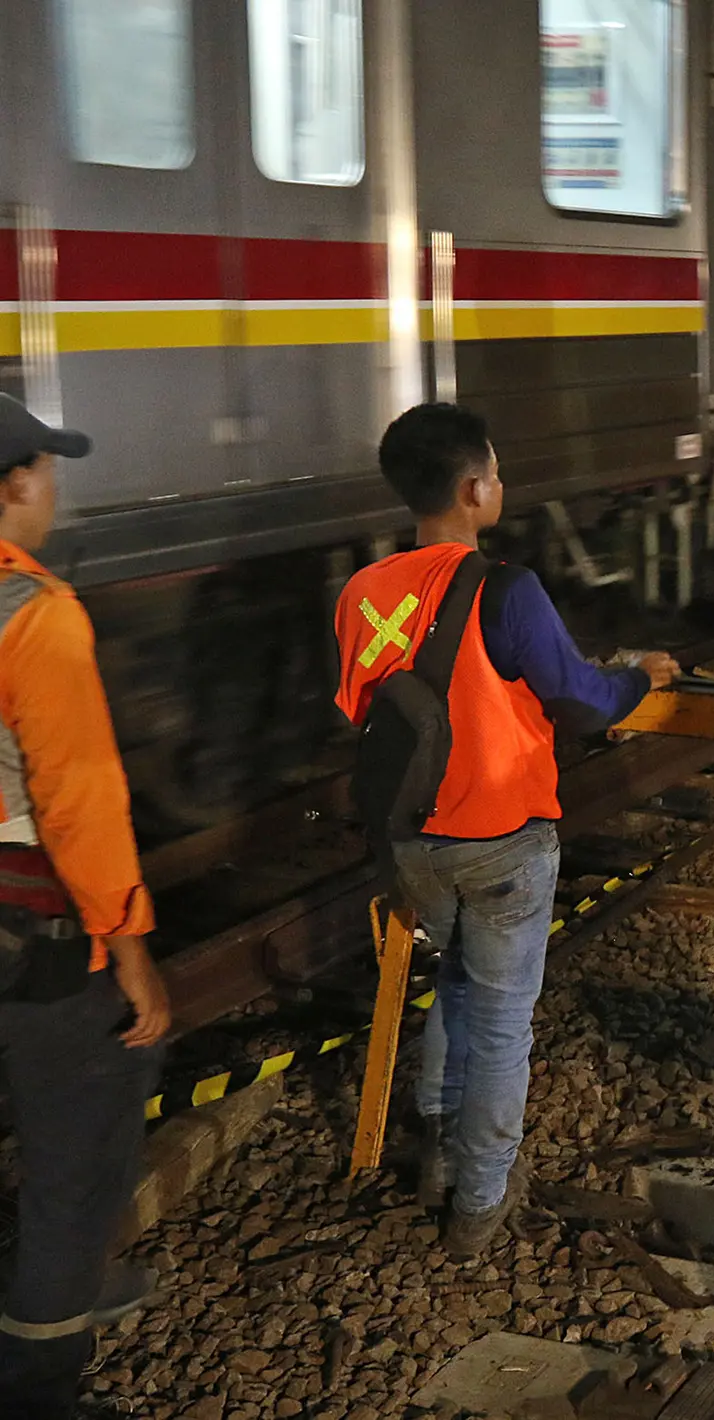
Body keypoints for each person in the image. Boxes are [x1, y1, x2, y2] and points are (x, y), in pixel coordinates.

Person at [333, 403, 680, 1257]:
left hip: (410, 844)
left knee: (455, 982)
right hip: (503, 843)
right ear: (473, 489)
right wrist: (641, 676)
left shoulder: (361, 593)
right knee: (500, 1022)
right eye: (495, 473)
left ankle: (439, 1157)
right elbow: (584, 702)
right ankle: (480, 1202)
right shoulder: (506, 588)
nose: (501, 485)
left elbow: (367, 711)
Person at [0, 395, 171, 1419]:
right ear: (16, 484)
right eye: (48, 471)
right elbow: (79, 801)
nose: (53, 489)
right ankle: (37, 1382)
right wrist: (130, 948)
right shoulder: (35, 613)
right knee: (79, 1145)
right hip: (32, 930)